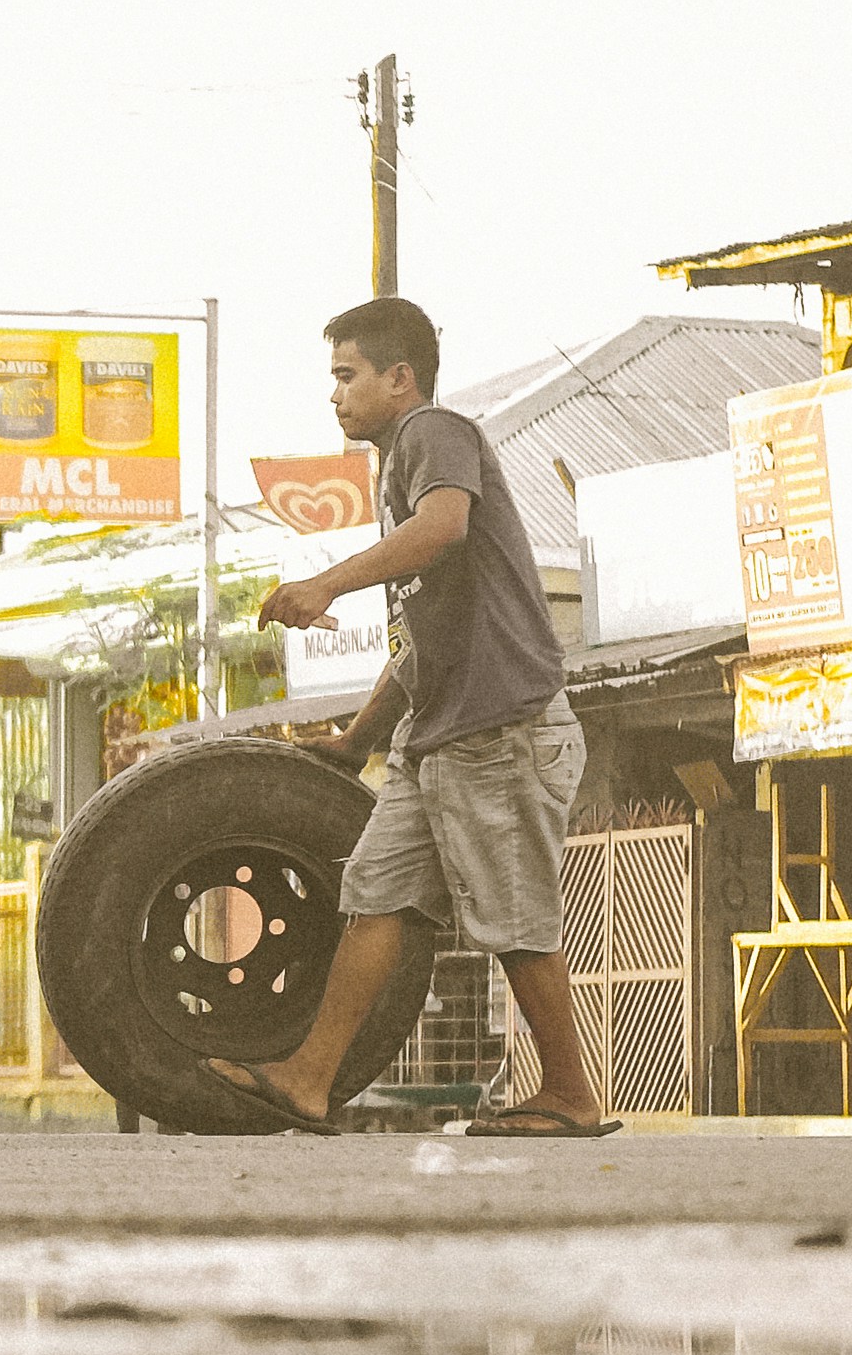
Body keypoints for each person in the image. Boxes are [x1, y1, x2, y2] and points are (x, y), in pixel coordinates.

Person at [223, 298, 611, 1137]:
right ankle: (308, 1079)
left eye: (346, 375)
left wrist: (325, 583)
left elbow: (445, 527)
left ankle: (572, 1094)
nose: (334, 395)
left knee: (512, 918)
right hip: (435, 735)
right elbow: (418, 643)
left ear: (399, 379)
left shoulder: (435, 433)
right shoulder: (395, 466)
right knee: (374, 894)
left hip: (500, 728)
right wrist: (358, 739)